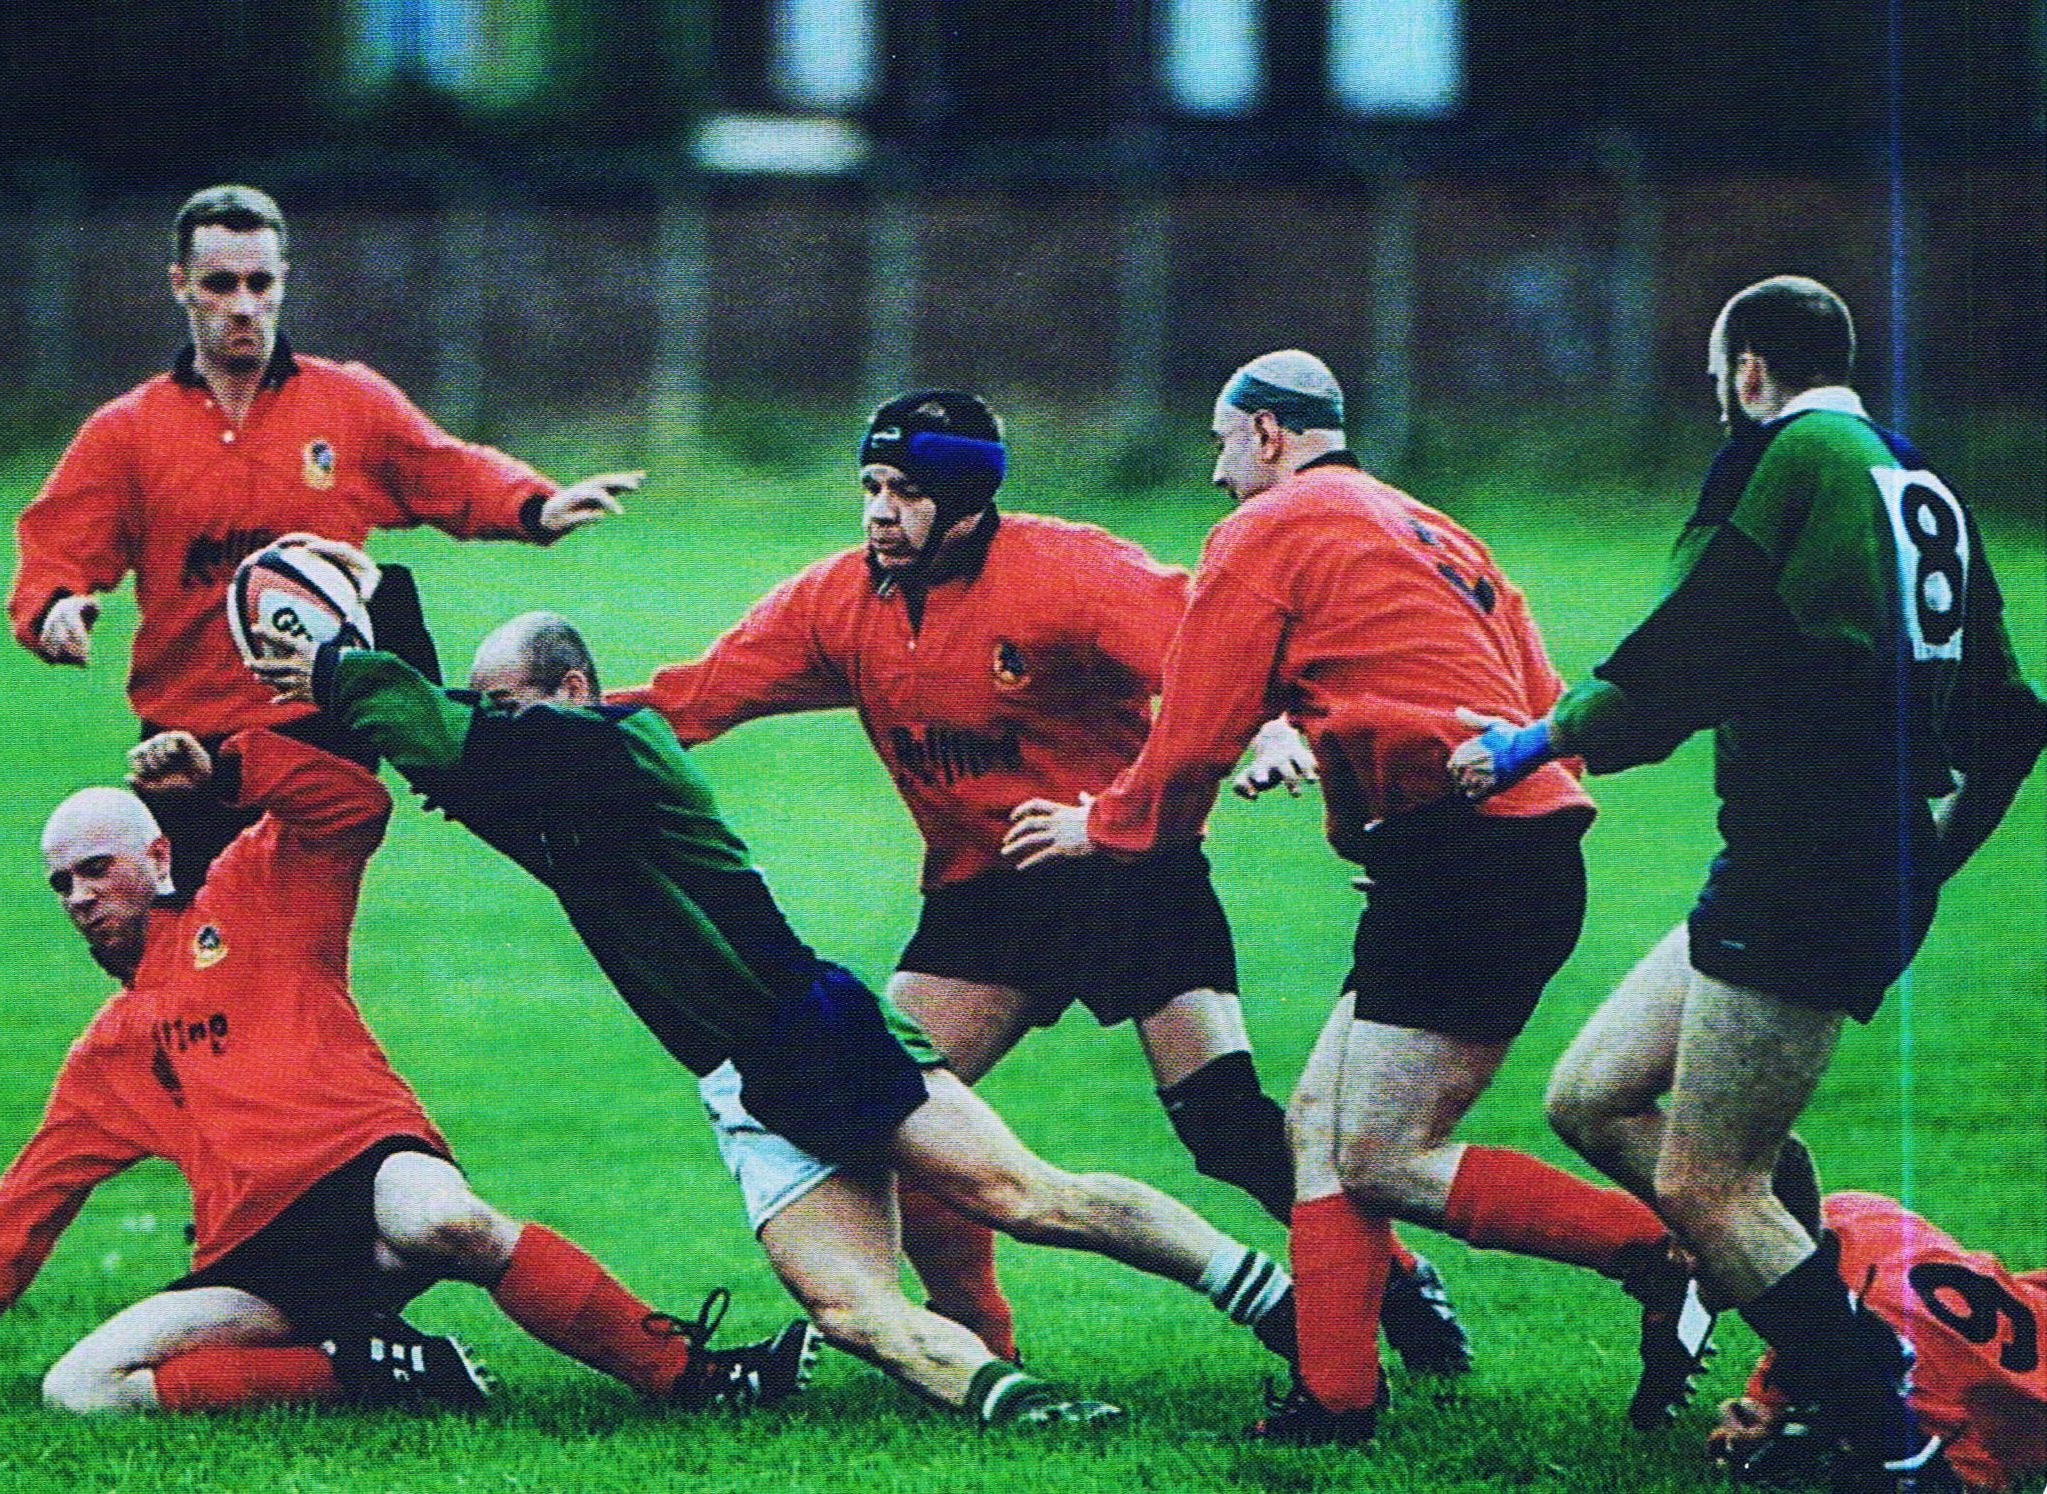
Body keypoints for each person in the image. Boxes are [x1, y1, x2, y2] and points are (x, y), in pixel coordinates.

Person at [247, 552, 1302, 1426]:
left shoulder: (617, 750)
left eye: (508, 705)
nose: (494, 724)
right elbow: (443, 749)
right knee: (848, 1308)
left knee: (1021, 1197)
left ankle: (1273, 1296)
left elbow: (451, 739)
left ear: (570, 694)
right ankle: (1032, 1415)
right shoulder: (537, 781)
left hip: (809, 1029)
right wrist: (383, 606)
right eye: (489, 709)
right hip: (737, 1080)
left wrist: (342, 658)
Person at [611, 388, 1471, 1375]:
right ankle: (981, 1341)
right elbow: (690, 699)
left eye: (903, 492)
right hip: (985, 899)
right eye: (870, 486)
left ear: (968, 501)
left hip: (1124, 876)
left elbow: (1203, 649)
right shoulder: (836, 604)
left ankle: (1393, 1281)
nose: (877, 512)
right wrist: (528, 740)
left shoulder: (1066, 571)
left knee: (1226, 1129)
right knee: (892, 1113)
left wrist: (1271, 729)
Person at [1003, 350, 1713, 1446]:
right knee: (1318, 1131)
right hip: (1490, 854)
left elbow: (1191, 736)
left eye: (1220, 443)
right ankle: (1333, 1401)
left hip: (1467, 864)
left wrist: (1098, 826)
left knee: (1381, 1152)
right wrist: (1366, 775)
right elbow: (1532, 703)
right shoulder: (1429, 527)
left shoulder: (1264, 530)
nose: (1213, 474)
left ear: (1269, 436)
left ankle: (1663, 1258)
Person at [1453, 275, 2047, 1490]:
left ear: (1745, 375)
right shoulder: (1911, 473)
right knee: (1594, 1096)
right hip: (1819, 858)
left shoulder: (1783, 454)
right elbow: (2010, 718)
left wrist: (1524, 744)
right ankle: (1832, 1352)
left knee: (1704, 1186)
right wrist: (1923, 862)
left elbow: (1686, 649)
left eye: (1720, 382)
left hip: (1806, 860)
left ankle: (1892, 1444)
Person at [0, 726, 812, 1415]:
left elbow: (351, 806)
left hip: (372, 1178)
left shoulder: (252, 891)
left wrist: (226, 765)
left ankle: (691, 1375)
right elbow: (21, 1205)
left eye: (94, 869)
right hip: (265, 1264)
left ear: (157, 856)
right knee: (79, 1389)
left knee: (448, 1220)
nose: (77, 896)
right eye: (59, 884)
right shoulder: (109, 1050)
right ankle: (385, 1374)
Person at [6, 182, 641, 894]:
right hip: (182, 743)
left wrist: (533, 505)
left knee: (291, 948)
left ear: (284, 281)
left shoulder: (347, 403)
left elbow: (442, 467)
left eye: (260, 282)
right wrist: (54, 606)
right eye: (221, 284)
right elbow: (59, 541)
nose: (244, 305)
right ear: (180, 285)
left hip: (319, 728)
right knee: (190, 963)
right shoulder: (129, 431)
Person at [1708, 1192, 2044, 1494]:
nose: (1679, 1257)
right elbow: (1809, 1304)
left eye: (1690, 1236)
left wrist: (1839, 1442)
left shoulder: (1888, 1351)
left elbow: (1973, 1479)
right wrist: (1765, 1402)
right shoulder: (1849, 1210)